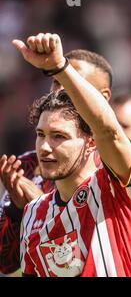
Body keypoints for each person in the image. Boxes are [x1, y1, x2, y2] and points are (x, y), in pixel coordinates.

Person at [10, 33, 131, 276]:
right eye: (40, 135)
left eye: (59, 137)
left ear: (90, 142)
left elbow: (109, 131)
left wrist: (60, 68)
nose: (44, 147)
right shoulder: (34, 212)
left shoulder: (116, 187)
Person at [0, 49, 114, 275]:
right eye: (55, 81)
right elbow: (5, 263)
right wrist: (16, 210)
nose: (60, 90)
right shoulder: (27, 166)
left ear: (103, 98)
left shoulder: (118, 169)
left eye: (70, 81)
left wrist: (41, 206)